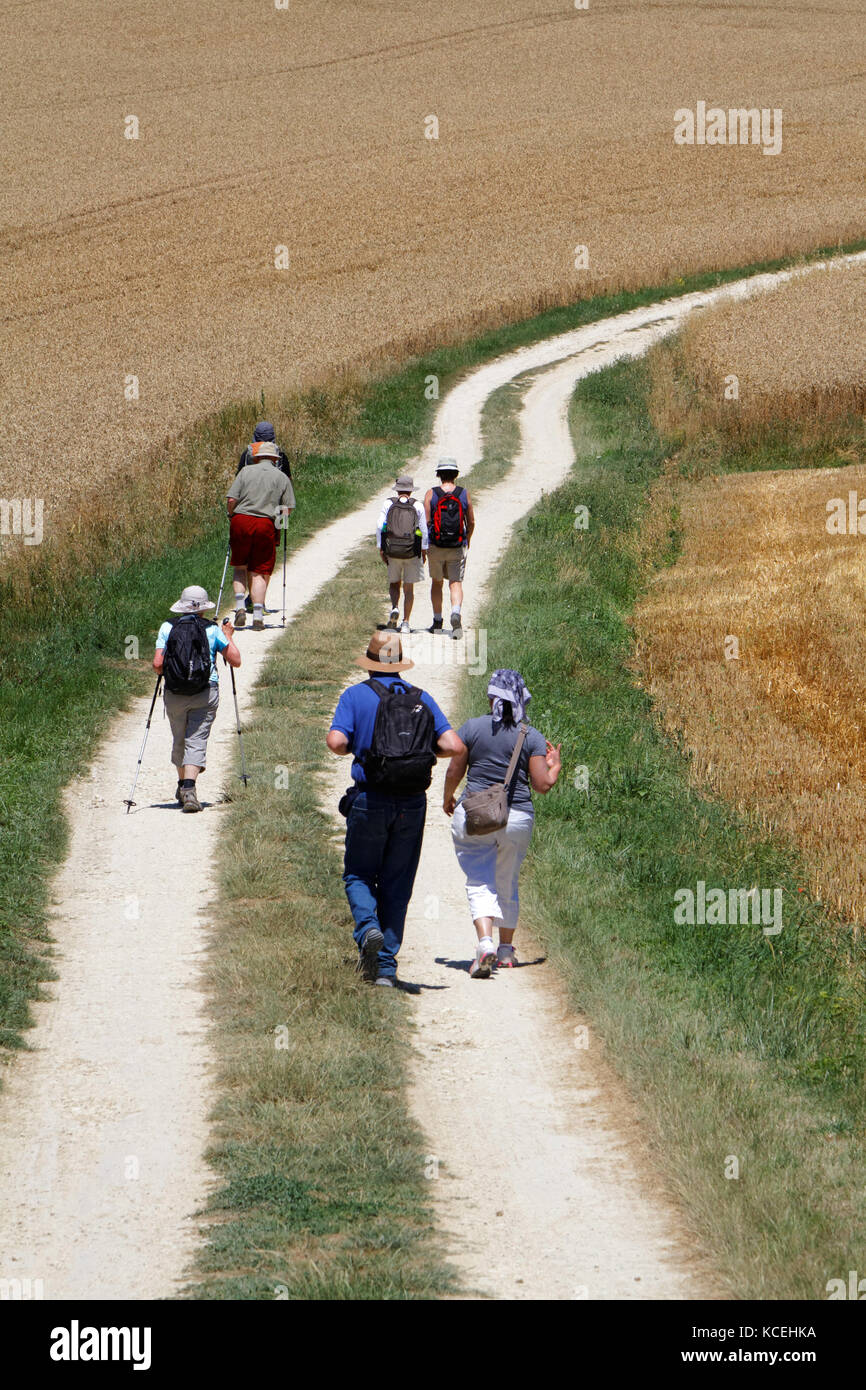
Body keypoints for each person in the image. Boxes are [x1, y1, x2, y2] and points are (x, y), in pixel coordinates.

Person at [326, 631, 465, 987]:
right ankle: (386, 969)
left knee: (358, 874)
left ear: (370, 663)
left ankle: (368, 928)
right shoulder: (421, 698)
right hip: (412, 803)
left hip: (370, 798)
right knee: (397, 884)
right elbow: (453, 744)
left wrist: (361, 749)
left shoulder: (356, 696)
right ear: (399, 664)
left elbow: (336, 741)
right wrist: (417, 755)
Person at [443, 668, 561, 976]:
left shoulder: (472, 728)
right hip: (518, 817)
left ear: (491, 696)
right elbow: (542, 785)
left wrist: (447, 797)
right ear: (523, 698)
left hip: (478, 816)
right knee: (507, 879)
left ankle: (485, 944)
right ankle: (507, 951)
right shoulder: (531, 736)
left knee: (480, 879)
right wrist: (555, 767)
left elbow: (454, 770)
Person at [153, 585, 241, 813]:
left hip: (174, 693)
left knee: (179, 738)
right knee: (197, 739)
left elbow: (157, 665)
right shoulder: (212, 629)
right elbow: (235, 660)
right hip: (205, 691)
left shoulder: (167, 627)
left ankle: (183, 785)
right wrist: (228, 636)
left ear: (182, 606)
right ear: (203, 609)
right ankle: (189, 790)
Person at [226, 440, 295, 630]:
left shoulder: (245, 472)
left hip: (241, 521)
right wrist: (279, 528)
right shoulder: (281, 477)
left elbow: (232, 499)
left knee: (240, 567)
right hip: (265, 524)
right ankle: (257, 616)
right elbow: (287, 509)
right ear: (274, 459)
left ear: (256, 458)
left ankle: (240, 607)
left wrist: (231, 515)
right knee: (259, 571)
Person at [423, 459, 474, 637]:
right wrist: (466, 539)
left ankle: (437, 621)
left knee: (437, 583)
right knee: (455, 582)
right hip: (457, 545)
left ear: (439, 474)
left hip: (436, 545)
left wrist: (425, 546)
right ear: (456, 474)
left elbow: (426, 523)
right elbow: (471, 521)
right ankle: (456, 612)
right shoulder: (463, 493)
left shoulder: (431, 494)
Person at [376, 475, 428, 633]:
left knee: (394, 583)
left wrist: (381, 548)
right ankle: (406, 623)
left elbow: (380, 526)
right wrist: (424, 551)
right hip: (411, 551)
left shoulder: (388, 503)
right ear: (411, 491)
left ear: (397, 490)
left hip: (392, 549)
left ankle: (394, 607)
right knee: (409, 588)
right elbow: (424, 530)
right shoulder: (417, 505)